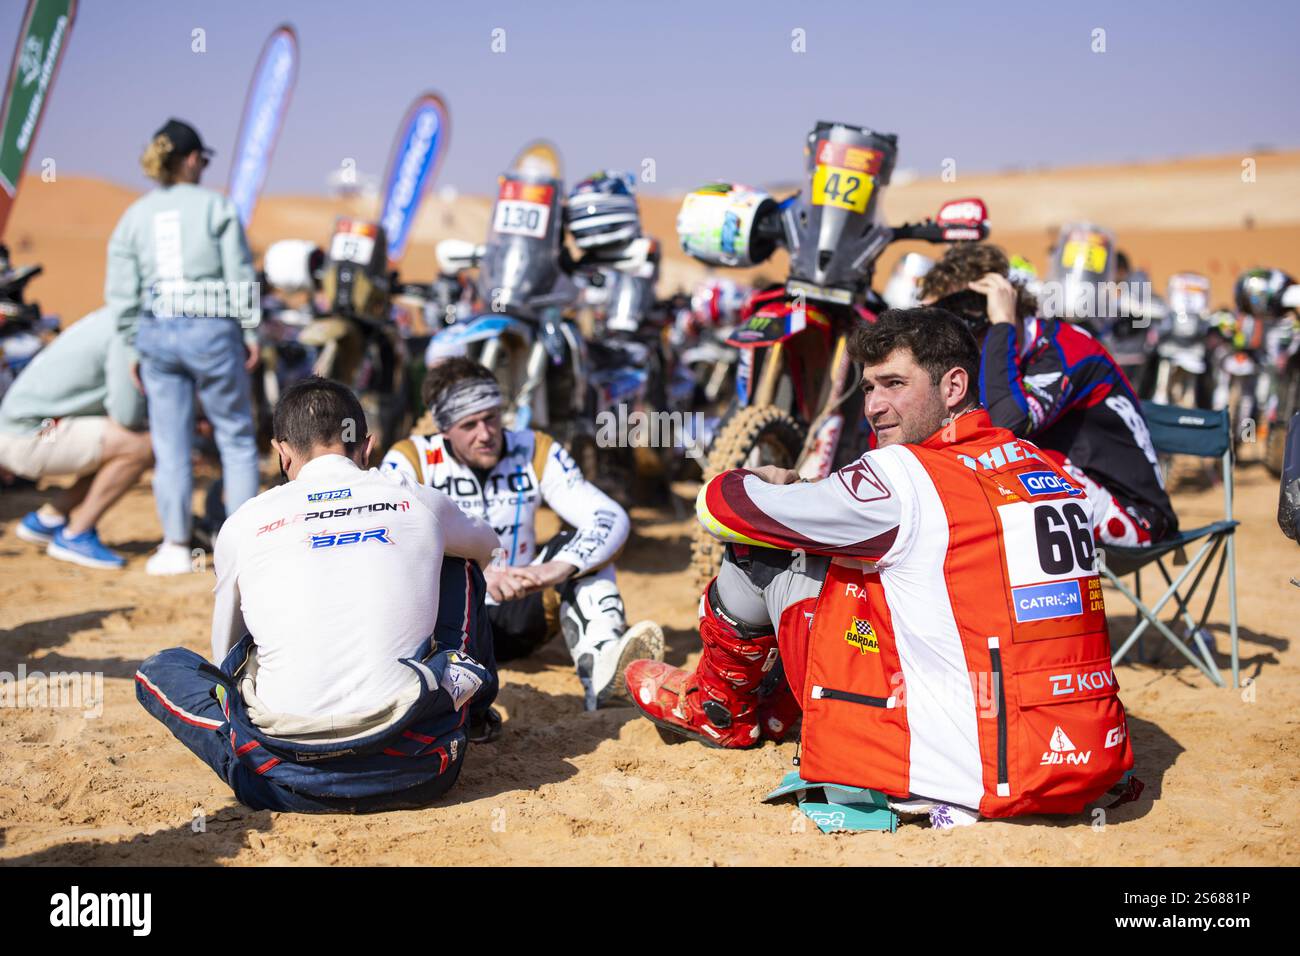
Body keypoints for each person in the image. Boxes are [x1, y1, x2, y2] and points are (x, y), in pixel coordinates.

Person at [627, 308, 1133, 823]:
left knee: (763, 553)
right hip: (1087, 754)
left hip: (969, 767)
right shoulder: (1039, 461)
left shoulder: (906, 472)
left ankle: (717, 710)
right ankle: (777, 707)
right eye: (868, 388)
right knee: (883, 571)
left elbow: (721, 512)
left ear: (954, 385)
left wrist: (748, 478)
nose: (874, 406)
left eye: (894, 383)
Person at [135, 377, 500, 812]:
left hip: (281, 780)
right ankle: (474, 714)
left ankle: (251, 754)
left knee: (161, 669)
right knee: (456, 561)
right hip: (421, 767)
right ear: (367, 447)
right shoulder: (410, 497)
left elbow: (227, 657)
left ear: (282, 452)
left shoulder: (246, 520)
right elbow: (486, 546)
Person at [383, 357, 663, 713]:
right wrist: (480, 572)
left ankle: (605, 669)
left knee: (578, 548)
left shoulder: (535, 448)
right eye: (469, 424)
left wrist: (556, 568)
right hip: (449, 624)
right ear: (443, 428)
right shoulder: (411, 458)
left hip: (522, 608)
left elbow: (609, 516)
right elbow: (390, 540)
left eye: (491, 417)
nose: (485, 433)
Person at [921, 242, 1177, 547]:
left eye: (970, 312)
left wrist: (1001, 324)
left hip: (1136, 516)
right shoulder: (989, 355)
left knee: (1014, 459)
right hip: (1061, 508)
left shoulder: (1068, 348)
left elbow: (1005, 426)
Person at [105, 118, 261, 575]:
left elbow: (122, 289)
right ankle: (241, 548)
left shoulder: (136, 215)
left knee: (170, 444)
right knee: (234, 436)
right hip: (212, 330)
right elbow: (239, 275)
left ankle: (174, 545)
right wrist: (249, 331)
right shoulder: (217, 208)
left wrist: (133, 343)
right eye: (204, 159)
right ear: (191, 159)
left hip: (157, 331)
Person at [1, 308, 152, 568]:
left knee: (122, 441)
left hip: (22, 429)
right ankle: (75, 534)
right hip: (27, 437)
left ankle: (50, 518)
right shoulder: (129, 328)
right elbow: (126, 413)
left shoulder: (116, 315)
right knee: (143, 445)